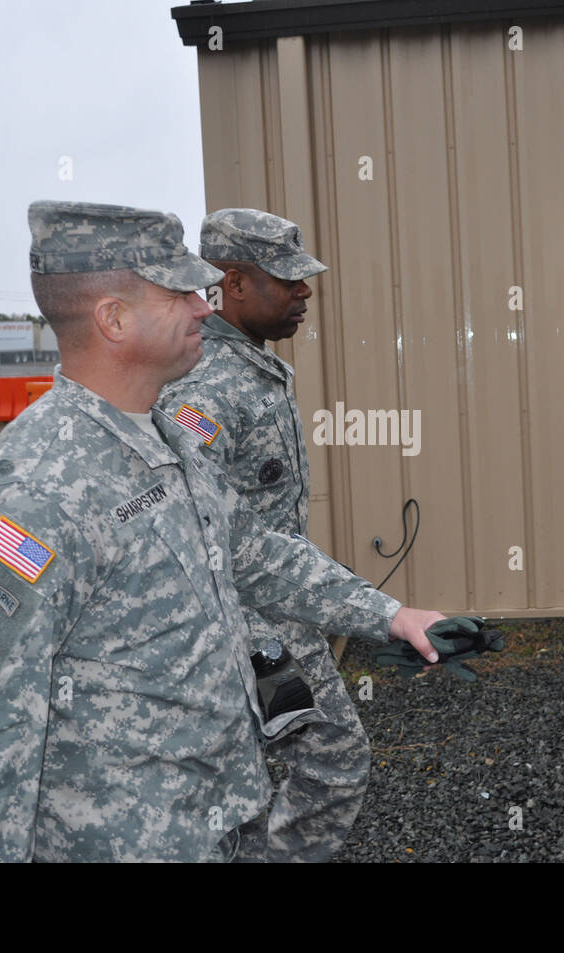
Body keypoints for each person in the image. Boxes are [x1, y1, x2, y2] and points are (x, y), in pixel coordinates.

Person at [0, 200, 443, 863]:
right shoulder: (35, 491)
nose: (204, 307)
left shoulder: (166, 439)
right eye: (180, 292)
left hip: (215, 819)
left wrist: (392, 615)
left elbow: (252, 552)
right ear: (114, 318)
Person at [157, 207, 368, 862]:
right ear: (234, 282)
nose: (305, 291)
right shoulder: (208, 389)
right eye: (288, 278)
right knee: (332, 761)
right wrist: (258, 649)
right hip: (247, 634)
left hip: (276, 619)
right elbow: (177, 531)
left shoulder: (246, 365)